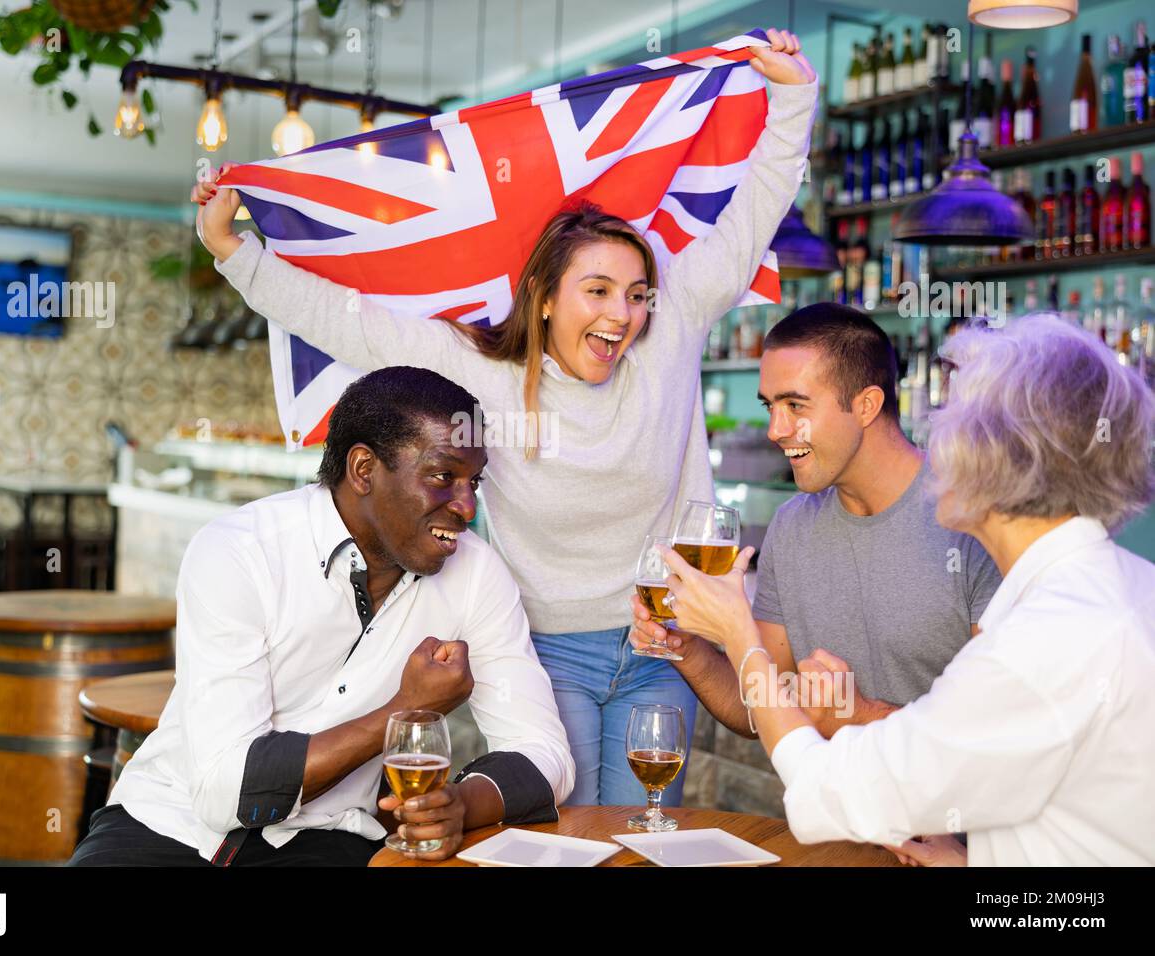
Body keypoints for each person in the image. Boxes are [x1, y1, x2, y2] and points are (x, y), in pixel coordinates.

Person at [191, 30, 819, 806]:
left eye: (634, 293)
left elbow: (754, 211)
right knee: (556, 830)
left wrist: (793, 97)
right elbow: (351, 322)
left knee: (637, 837)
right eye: (597, 290)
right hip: (547, 648)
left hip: (668, 645)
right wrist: (234, 254)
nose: (621, 313)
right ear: (547, 297)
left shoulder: (674, 322)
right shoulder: (482, 372)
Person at [649, 313, 1155, 866]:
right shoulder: (1117, 587)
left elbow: (833, 789)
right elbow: (1061, 829)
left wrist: (738, 633)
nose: (938, 440)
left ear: (1003, 458)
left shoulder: (1043, 639)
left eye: (957, 424)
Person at [69, 366, 575, 866]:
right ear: (363, 470)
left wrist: (460, 805)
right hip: (168, 823)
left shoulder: (477, 575)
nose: (467, 506)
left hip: (328, 836)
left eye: (474, 481)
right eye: (444, 476)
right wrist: (403, 711)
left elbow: (545, 752)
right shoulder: (239, 551)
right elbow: (224, 795)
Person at [631, 303, 1001, 748]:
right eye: (770, 406)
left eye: (794, 405)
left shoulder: (976, 520)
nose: (775, 429)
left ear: (866, 405)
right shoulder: (791, 527)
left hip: (945, 817)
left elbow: (999, 730)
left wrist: (858, 716)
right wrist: (685, 648)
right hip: (819, 815)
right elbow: (758, 709)